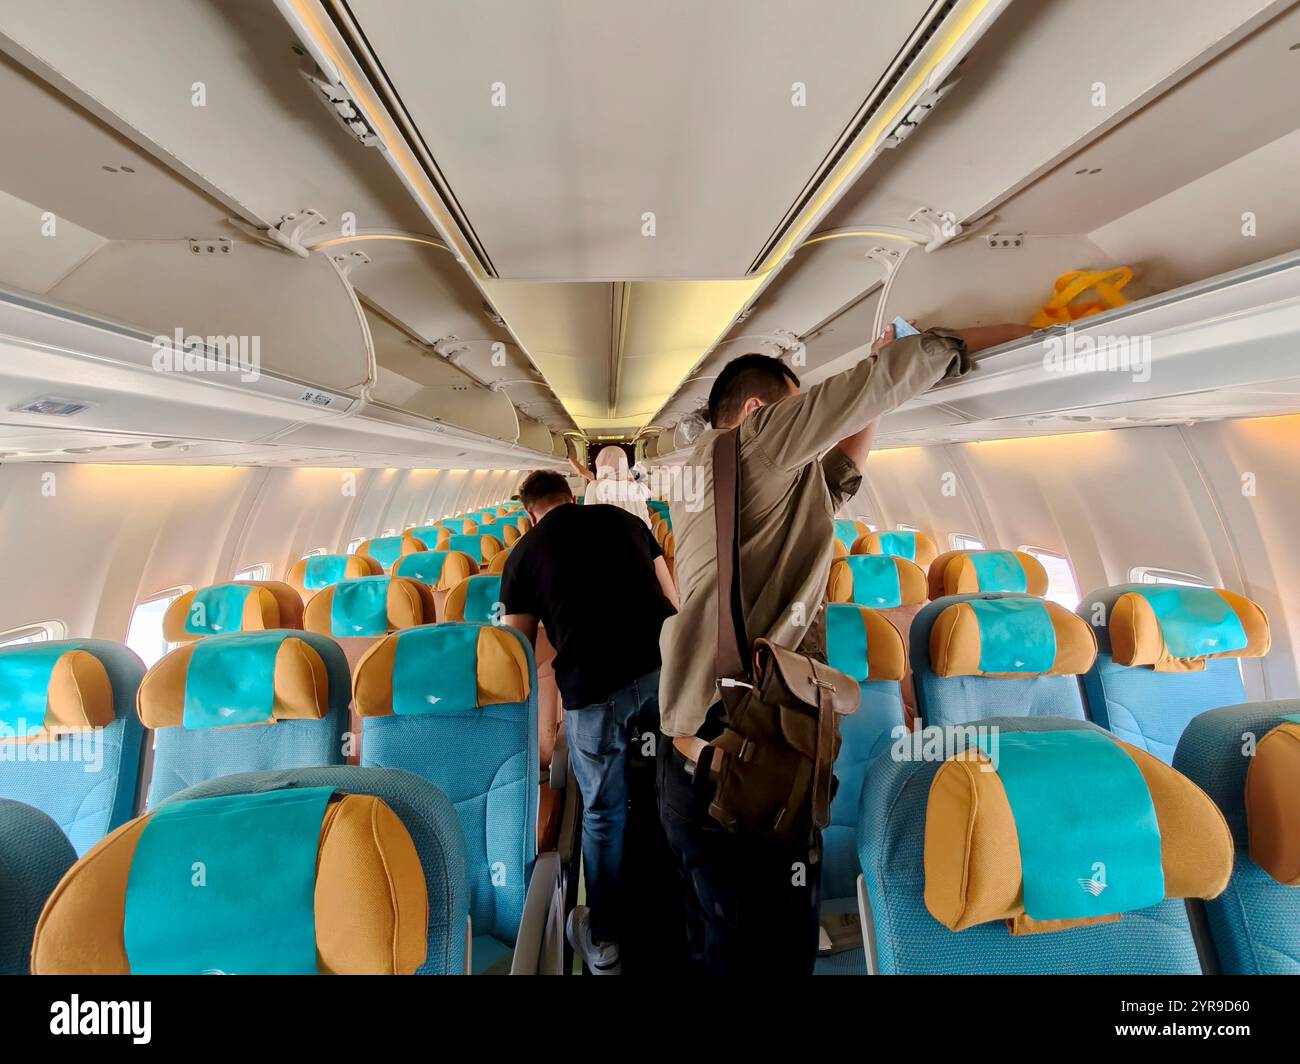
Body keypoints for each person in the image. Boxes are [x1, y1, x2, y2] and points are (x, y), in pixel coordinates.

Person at [656, 319, 1036, 975]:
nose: (802, 426)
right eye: (793, 409)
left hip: (702, 765)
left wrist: (877, 392)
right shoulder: (755, 441)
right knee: (771, 953)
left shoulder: (715, 476)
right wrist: (953, 341)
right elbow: (872, 384)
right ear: (755, 411)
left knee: (720, 941)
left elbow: (836, 477)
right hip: (746, 776)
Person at [501, 469, 680, 974]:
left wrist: (564, 628)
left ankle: (604, 939)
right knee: (670, 790)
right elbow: (674, 601)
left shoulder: (523, 554)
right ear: (571, 496)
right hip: (661, 674)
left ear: (529, 511)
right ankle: (679, 914)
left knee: (603, 811)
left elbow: (516, 654)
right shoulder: (625, 522)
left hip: (593, 691)